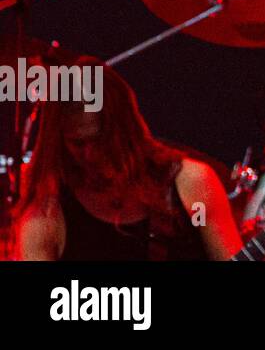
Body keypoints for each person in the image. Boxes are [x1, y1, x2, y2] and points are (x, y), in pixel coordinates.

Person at [17, 58, 242, 261]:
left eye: (100, 140)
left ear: (126, 131)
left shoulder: (191, 184)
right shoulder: (46, 219)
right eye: (77, 144)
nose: (90, 155)